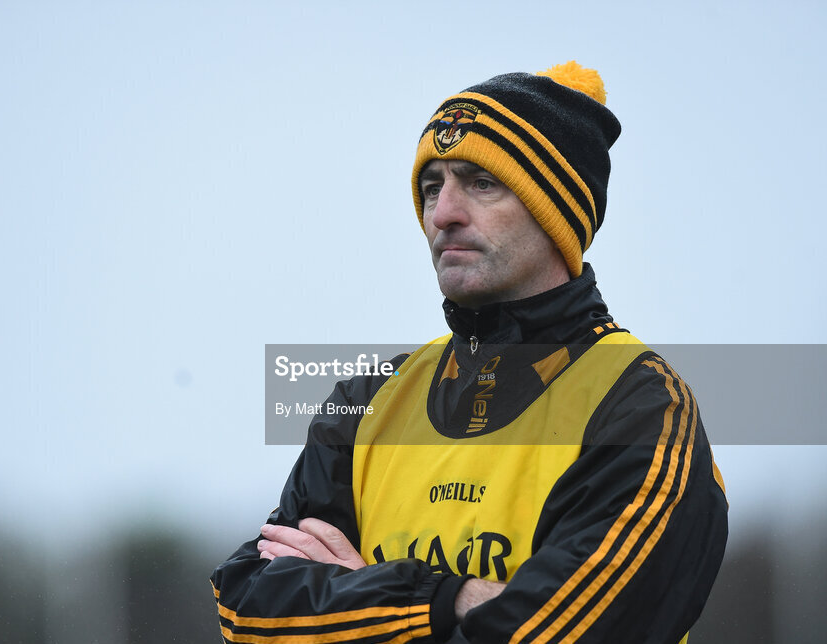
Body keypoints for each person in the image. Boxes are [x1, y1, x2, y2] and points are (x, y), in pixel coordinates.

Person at [211, 61, 728, 644]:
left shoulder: (640, 406)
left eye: (481, 183)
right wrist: (452, 600)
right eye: (432, 187)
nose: (443, 213)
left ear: (556, 211)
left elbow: (566, 634)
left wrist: (362, 599)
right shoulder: (365, 401)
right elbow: (247, 612)